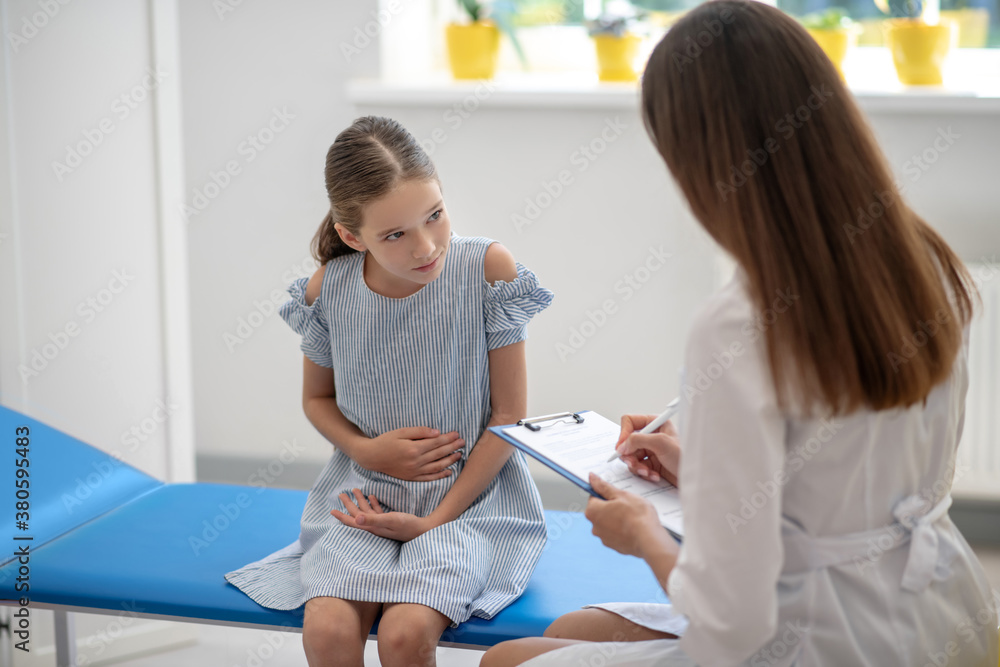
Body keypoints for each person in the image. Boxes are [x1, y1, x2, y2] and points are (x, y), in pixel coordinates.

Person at [482, 1, 999, 665]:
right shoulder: (921, 257)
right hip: (935, 607)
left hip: (815, 636)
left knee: (504, 660)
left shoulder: (740, 325)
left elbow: (733, 622)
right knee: (578, 624)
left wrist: (643, 534)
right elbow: (846, 480)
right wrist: (703, 468)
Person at [224, 115, 553, 667]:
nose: (426, 247)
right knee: (327, 628)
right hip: (364, 495)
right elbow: (317, 400)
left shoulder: (488, 269)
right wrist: (367, 450)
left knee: (404, 634)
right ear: (353, 236)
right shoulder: (330, 287)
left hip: (469, 501)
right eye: (395, 235)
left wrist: (432, 521)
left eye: (435, 216)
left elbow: (510, 416)